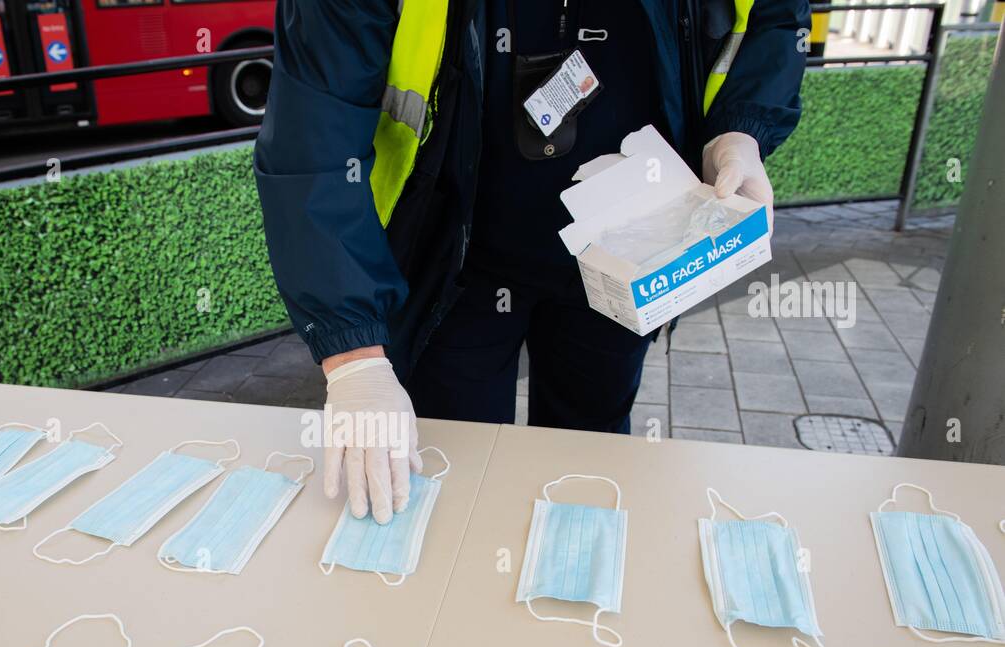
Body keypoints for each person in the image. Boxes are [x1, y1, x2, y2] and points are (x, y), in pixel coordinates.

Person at [255, 1, 808, 523]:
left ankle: (572, 608)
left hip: (628, 248)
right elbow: (314, 129)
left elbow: (775, 16)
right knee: (449, 473)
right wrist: (354, 356)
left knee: (589, 473)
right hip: (452, 258)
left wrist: (741, 129)